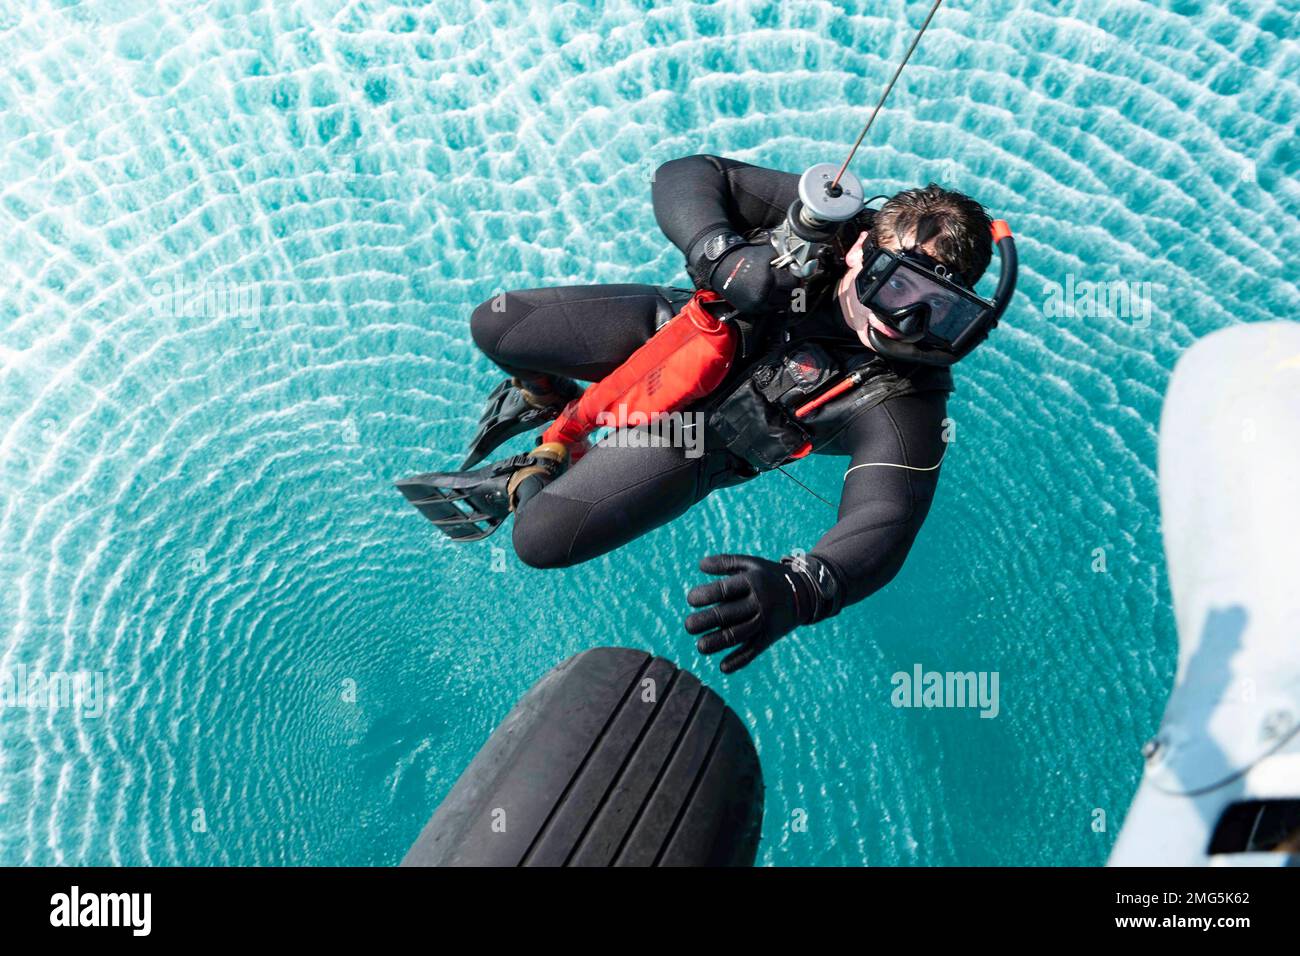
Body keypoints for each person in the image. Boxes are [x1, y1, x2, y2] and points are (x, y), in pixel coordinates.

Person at [398, 154, 1016, 672]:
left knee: (538, 539)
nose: (904, 322)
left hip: (701, 441)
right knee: (499, 324)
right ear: (860, 249)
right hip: (678, 332)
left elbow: (886, 519)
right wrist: (717, 253)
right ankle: (547, 399)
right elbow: (688, 174)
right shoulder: (831, 226)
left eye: (941, 309)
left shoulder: (907, 400)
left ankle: (534, 471)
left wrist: (803, 589)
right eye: (898, 287)